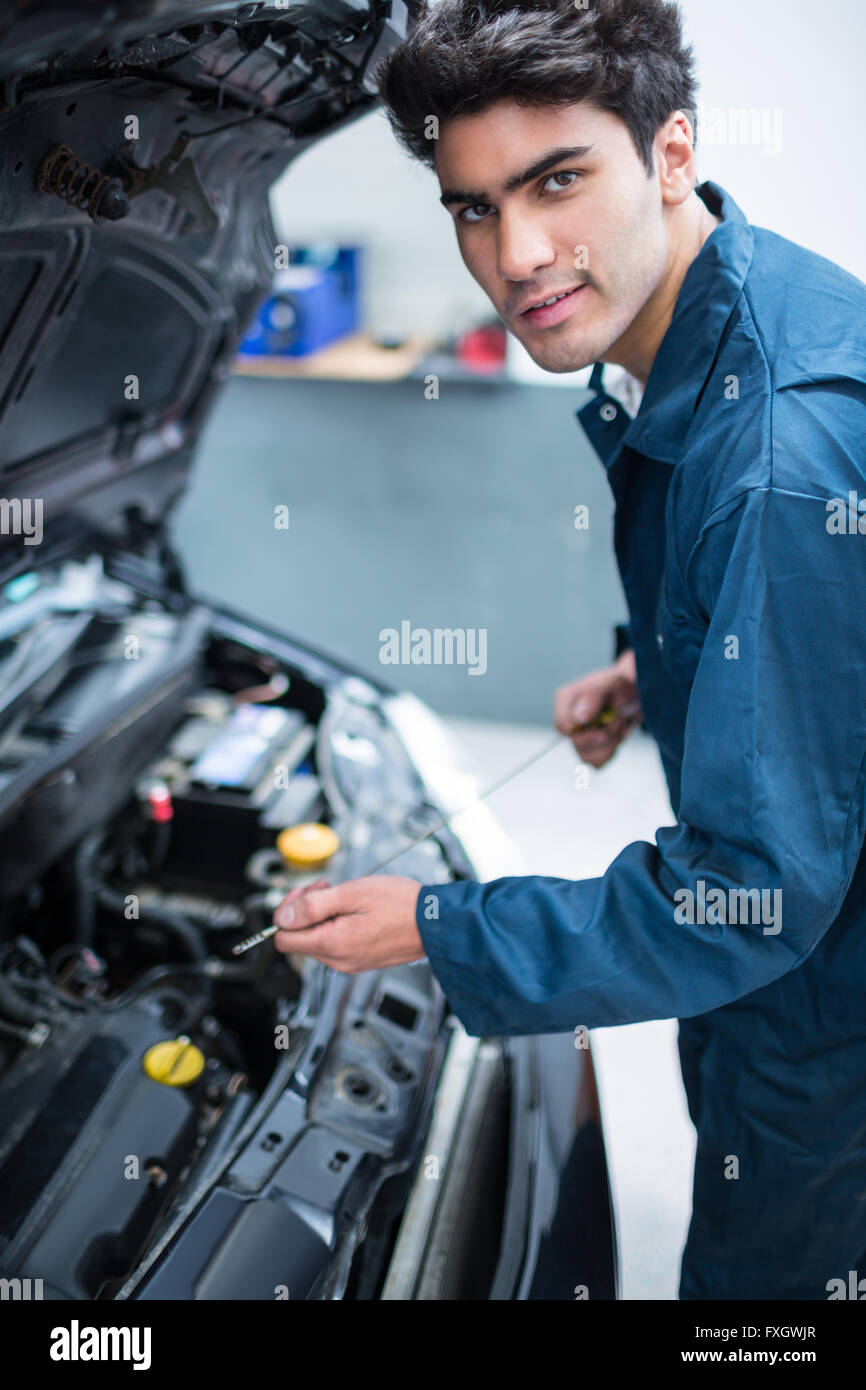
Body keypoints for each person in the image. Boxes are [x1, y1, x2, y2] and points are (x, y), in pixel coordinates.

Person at [268, 0, 866, 1300]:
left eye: (555, 181)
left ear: (667, 151)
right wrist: (661, 666)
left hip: (828, 1028)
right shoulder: (743, 303)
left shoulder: (775, 455)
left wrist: (446, 925)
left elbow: (754, 892)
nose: (516, 253)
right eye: (473, 207)